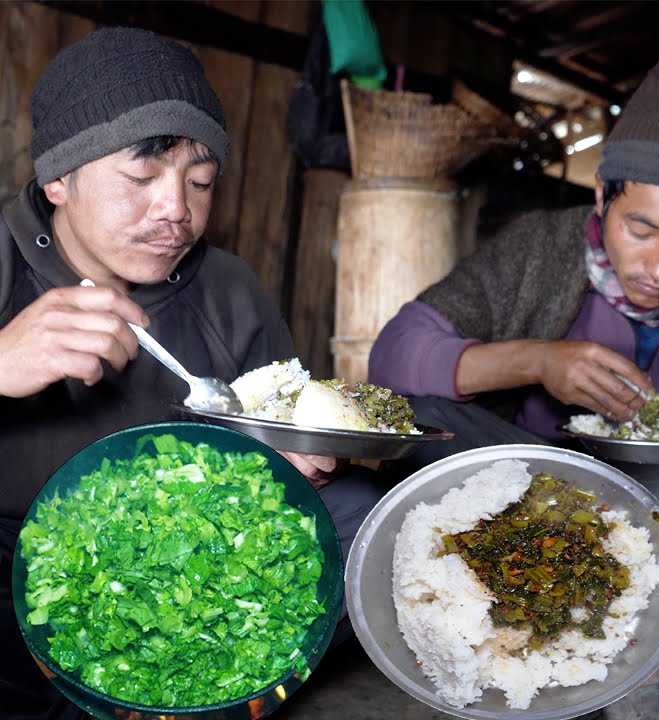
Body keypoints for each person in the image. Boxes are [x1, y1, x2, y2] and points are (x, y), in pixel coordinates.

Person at [369, 54, 659, 718]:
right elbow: (393, 357)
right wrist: (535, 361)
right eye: (640, 229)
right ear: (601, 195)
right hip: (531, 498)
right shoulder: (538, 248)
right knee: (419, 420)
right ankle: (518, 605)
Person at [0, 28, 385, 720]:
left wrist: (288, 460)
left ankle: (192, 689)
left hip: (185, 553)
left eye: (200, 181)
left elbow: (272, 451)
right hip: (14, 559)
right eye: (142, 177)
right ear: (58, 178)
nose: (177, 209)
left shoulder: (229, 289)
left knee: (366, 515)